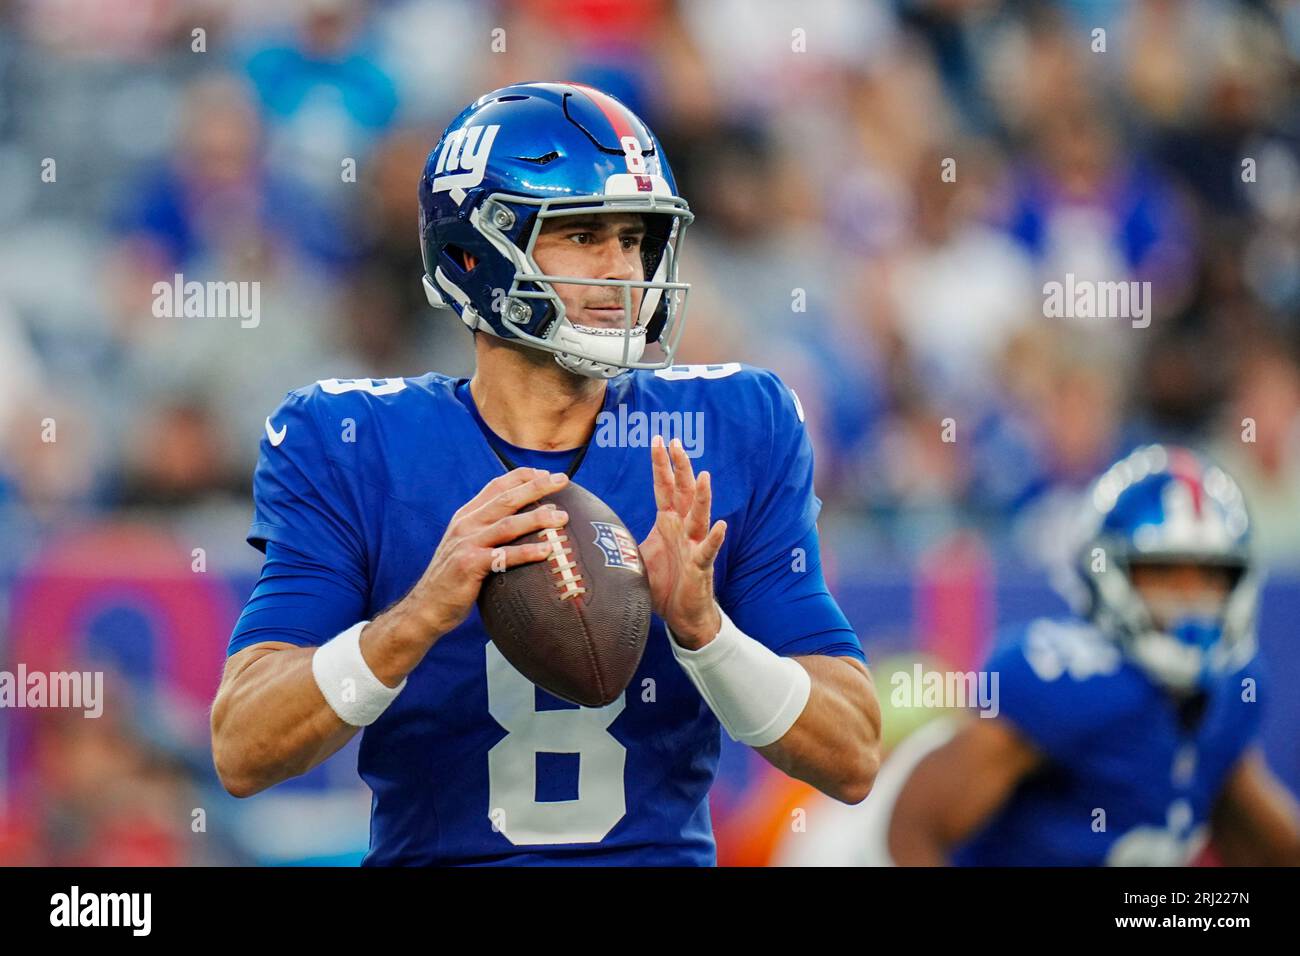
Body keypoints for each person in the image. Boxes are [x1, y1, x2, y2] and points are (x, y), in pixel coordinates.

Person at [210, 82, 881, 866]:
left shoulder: (733, 427)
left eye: (635, 238)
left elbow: (854, 753)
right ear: (476, 251)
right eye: (583, 235)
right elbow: (243, 747)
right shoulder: (353, 443)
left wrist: (706, 633)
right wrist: (418, 616)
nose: (622, 269)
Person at [845, 445, 1299, 866]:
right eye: (1163, 573)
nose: (1189, 597)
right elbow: (914, 825)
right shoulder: (1065, 679)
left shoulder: (1231, 689)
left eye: (1209, 575)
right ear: (1109, 573)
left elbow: (1249, 827)